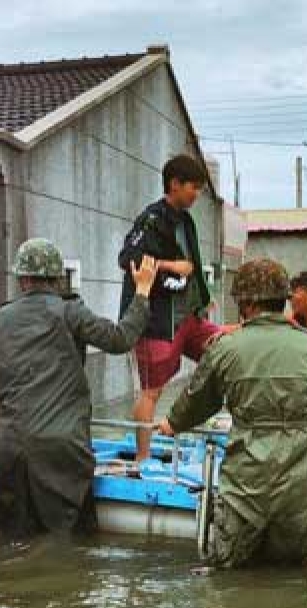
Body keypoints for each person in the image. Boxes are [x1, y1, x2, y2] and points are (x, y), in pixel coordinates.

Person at [158, 258, 307, 568]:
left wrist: (172, 423)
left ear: (246, 303)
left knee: (230, 576)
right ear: (283, 301)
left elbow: (197, 401)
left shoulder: (225, 348)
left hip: (246, 487)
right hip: (305, 487)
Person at [0, 238, 158, 539]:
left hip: (9, 453)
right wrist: (141, 292)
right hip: (61, 456)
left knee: (8, 548)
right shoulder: (70, 311)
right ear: (56, 277)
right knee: (70, 547)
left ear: (21, 278)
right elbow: (119, 339)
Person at [118, 154, 222, 462]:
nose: (197, 194)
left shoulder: (186, 221)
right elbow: (128, 260)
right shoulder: (151, 219)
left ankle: (192, 417)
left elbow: (194, 265)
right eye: (194, 187)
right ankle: (142, 457)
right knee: (152, 390)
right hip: (157, 320)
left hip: (188, 316)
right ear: (175, 184)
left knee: (225, 352)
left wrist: (203, 298)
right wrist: (170, 265)